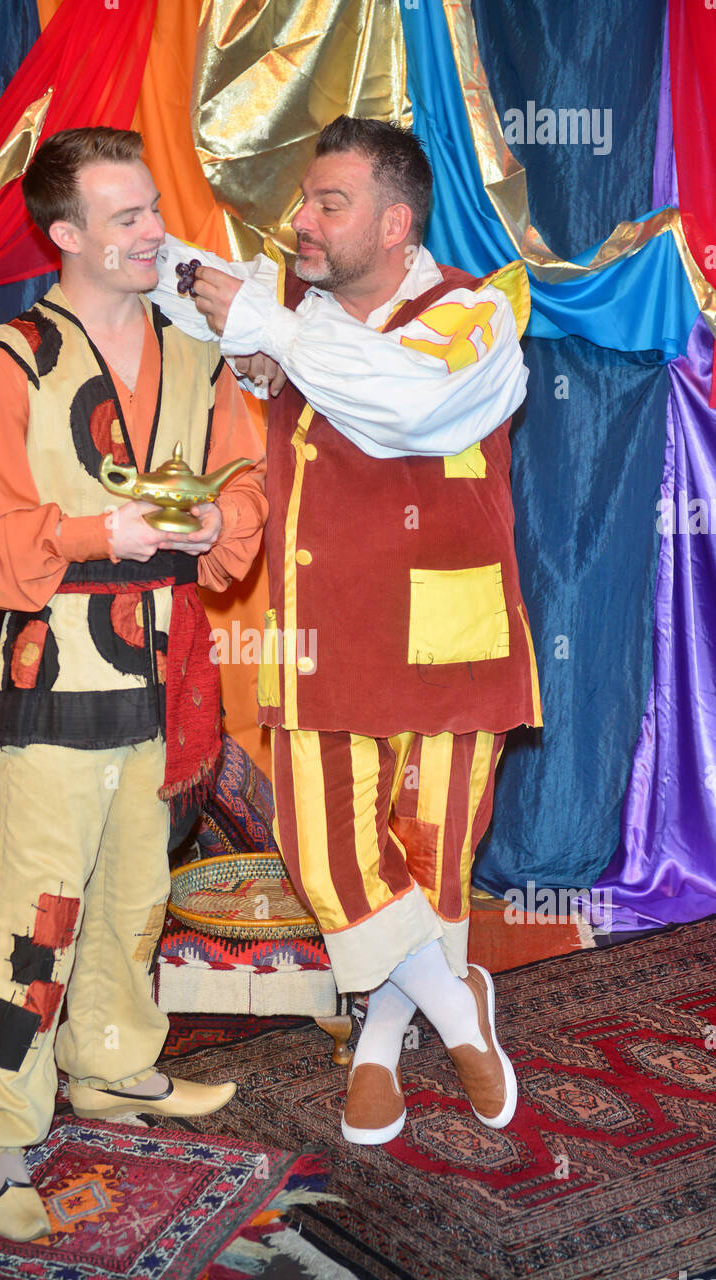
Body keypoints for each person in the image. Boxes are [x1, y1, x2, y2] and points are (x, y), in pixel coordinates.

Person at [150, 115, 542, 1145]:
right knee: (328, 864)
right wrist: (142, 248)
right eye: (305, 200)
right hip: (321, 643)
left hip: (455, 649)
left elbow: (405, 404)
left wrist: (267, 326)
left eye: (331, 203)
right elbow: (180, 290)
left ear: (399, 221)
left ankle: (377, 1041)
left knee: (433, 858)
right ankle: (461, 1014)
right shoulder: (291, 312)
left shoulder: (479, 311)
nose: (305, 221)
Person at [0, 127, 267, 1240]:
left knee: (136, 896)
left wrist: (225, 519)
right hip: (57, 676)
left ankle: (115, 1061)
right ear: (65, 233)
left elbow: (251, 488)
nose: (152, 232)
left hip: (171, 674)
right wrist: (96, 532)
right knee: (39, 919)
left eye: (153, 209)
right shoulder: (10, 359)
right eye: (125, 217)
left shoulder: (197, 356)